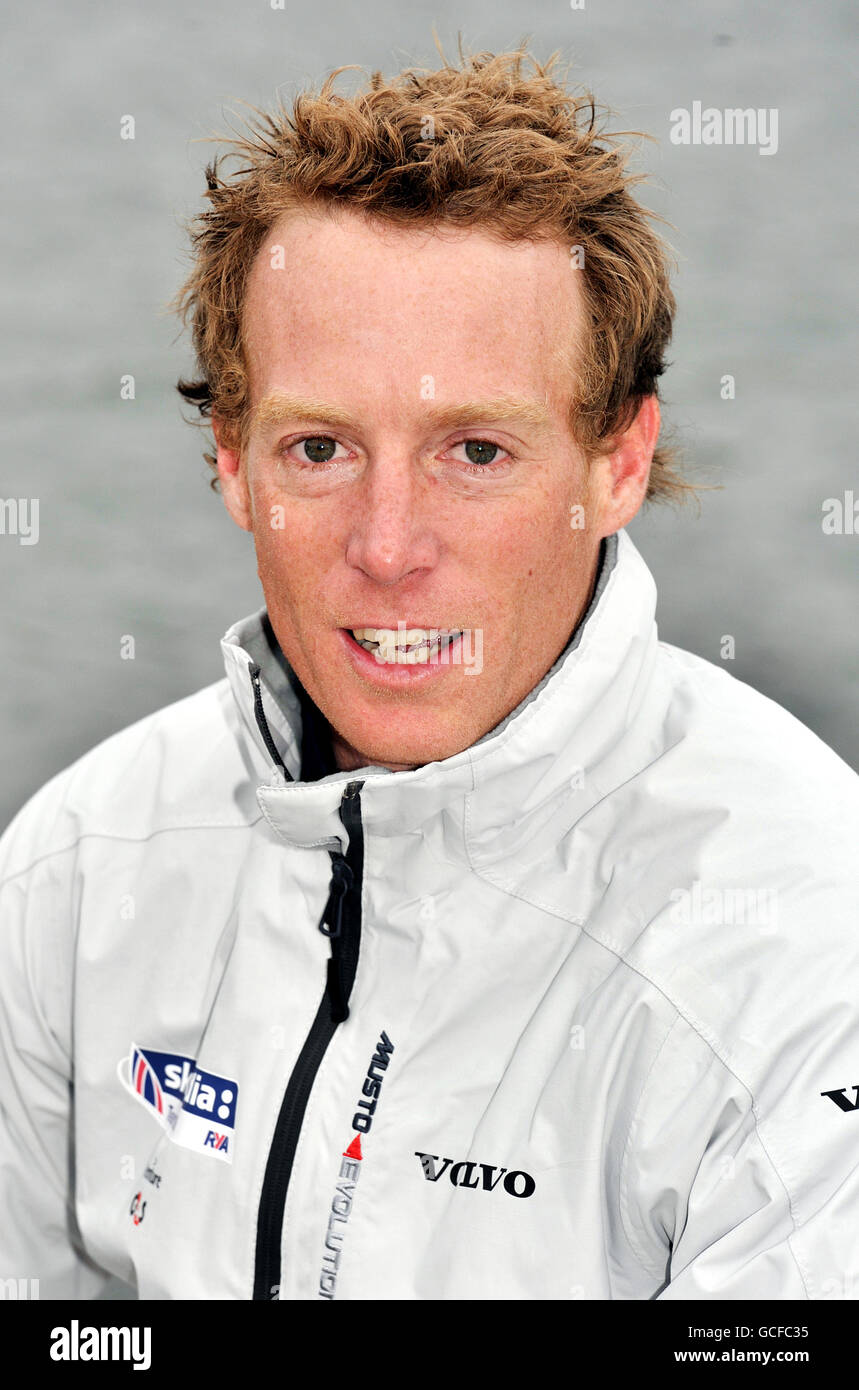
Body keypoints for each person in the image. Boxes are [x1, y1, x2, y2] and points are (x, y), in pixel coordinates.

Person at [0, 49, 856, 1303]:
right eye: (318, 447)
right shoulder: (76, 866)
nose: (388, 547)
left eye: (475, 450)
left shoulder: (805, 946)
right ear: (231, 461)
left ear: (618, 460)